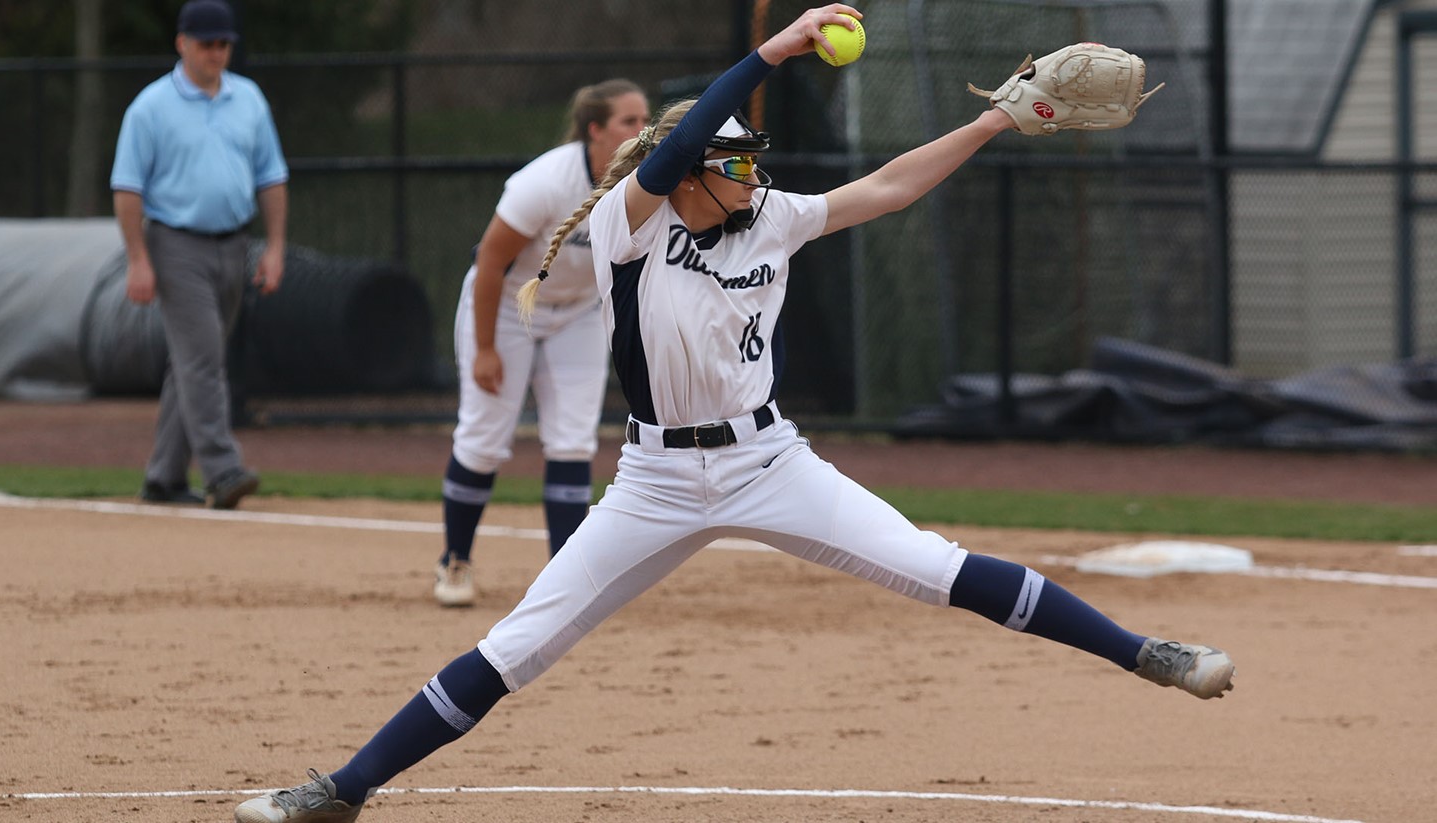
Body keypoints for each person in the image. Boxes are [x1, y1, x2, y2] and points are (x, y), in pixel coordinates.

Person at [235, 7, 1233, 821]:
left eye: (751, 159)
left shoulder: (774, 216)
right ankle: (344, 787)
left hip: (770, 463)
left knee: (936, 566)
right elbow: (665, 156)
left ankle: (1145, 653)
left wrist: (989, 125)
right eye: (732, 160)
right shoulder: (631, 227)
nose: (750, 171)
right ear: (686, 175)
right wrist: (771, 49)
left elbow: (885, 187)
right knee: (518, 644)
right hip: (656, 481)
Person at [433, 80, 651, 608]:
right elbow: (489, 261)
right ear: (595, 130)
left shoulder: (645, 184)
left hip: (577, 311)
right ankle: (455, 562)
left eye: (646, 119)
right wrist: (484, 348)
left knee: (574, 439)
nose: (642, 131)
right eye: (628, 121)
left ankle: (564, 580)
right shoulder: (547, 182)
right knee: (485, 438)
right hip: (510, 305)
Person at [111, 0, 287, 511]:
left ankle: (164, 477)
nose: (217, 52)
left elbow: (271, 177)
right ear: (182, 43)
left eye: (223, 43)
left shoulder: (248, 98)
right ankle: (221, 466)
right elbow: (127, 188)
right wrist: (138, 258)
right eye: (207, 43)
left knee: (190, 363)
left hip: (234, 242)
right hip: (175, 244)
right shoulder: (150, 107)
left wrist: (274, 247)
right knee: (205, 357)